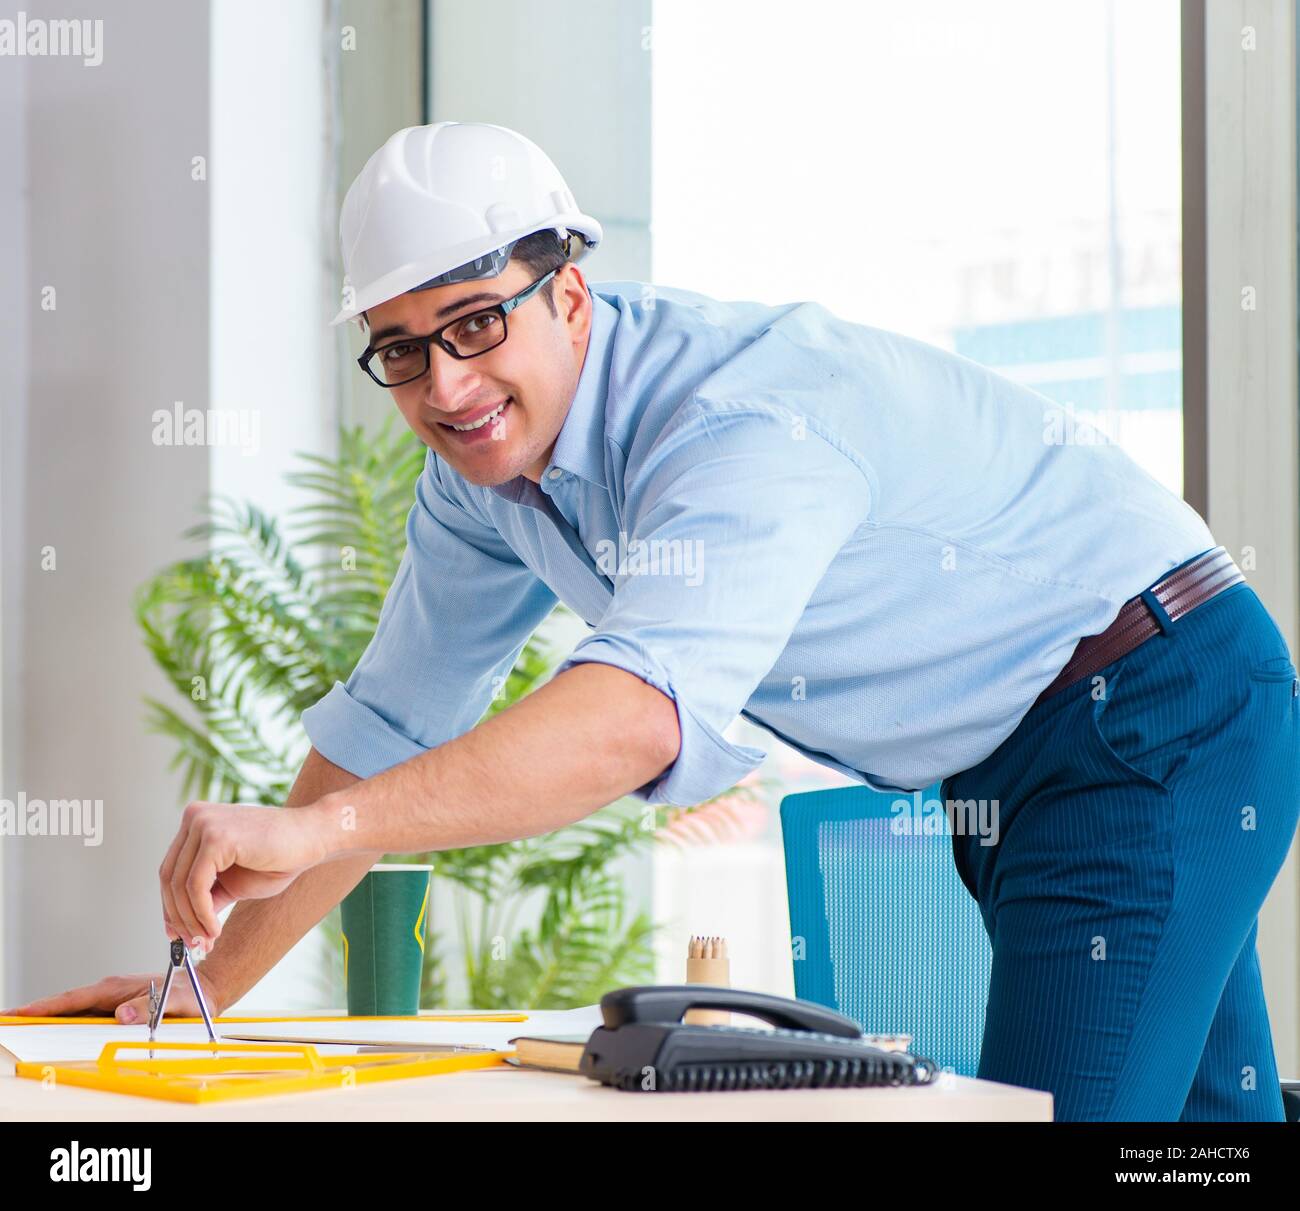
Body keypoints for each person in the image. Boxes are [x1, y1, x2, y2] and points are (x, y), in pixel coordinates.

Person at [12, 122, 1298, 1122]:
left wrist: (312, 828)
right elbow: (390, 723)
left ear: (569, 296)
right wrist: (200, 995)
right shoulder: (489, 483)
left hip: (1152, 707)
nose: (444, 384)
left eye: (474, 322)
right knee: (1194, 1136)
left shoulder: (743, 420)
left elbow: (633, 715)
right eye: (402, 348)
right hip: (1016, 754)